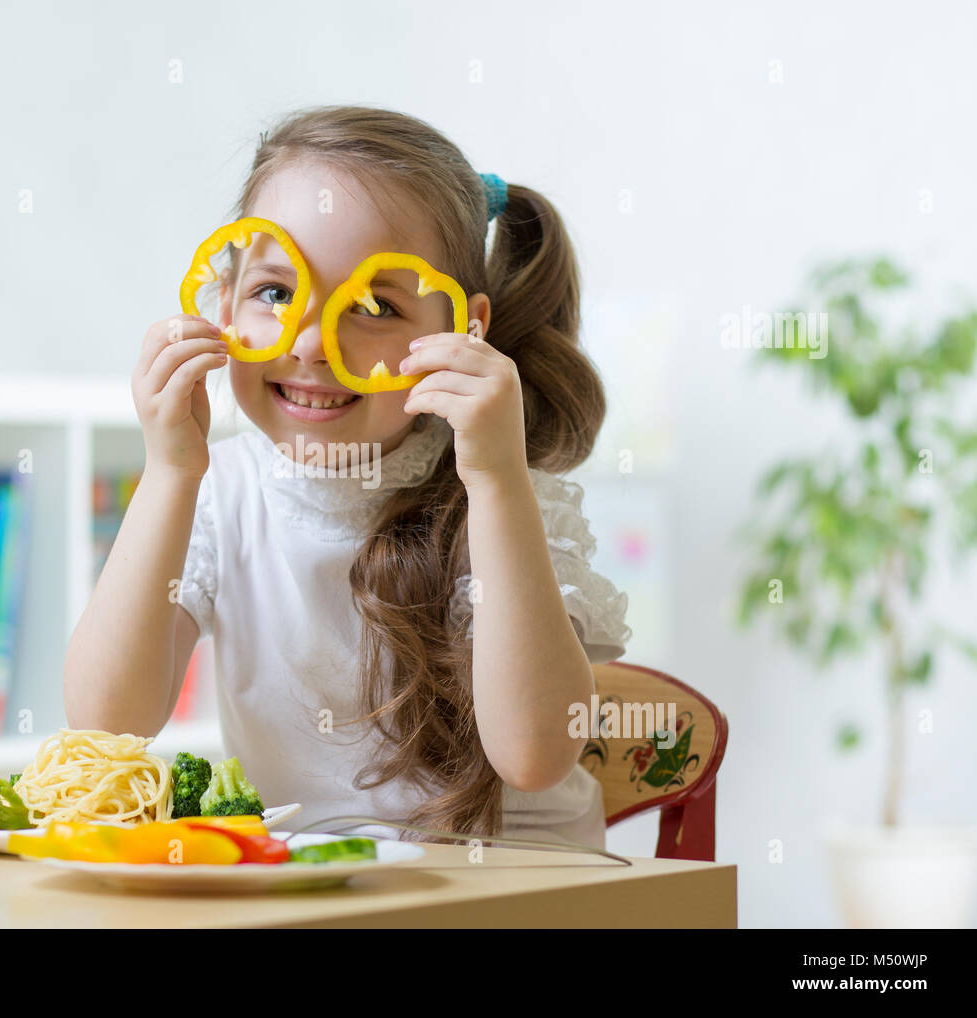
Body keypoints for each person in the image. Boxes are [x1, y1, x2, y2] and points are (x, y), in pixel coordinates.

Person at [65, 104, 632, 849]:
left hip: (512, 888)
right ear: (223, 299)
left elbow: (533, 754)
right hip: (321, 888)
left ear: (464, 330)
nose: (311, 342)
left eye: (373, 305)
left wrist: (496, 481)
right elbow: (108, 718)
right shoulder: (216, 489)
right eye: (275, 292)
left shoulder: (505, 494)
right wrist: (170, 471)